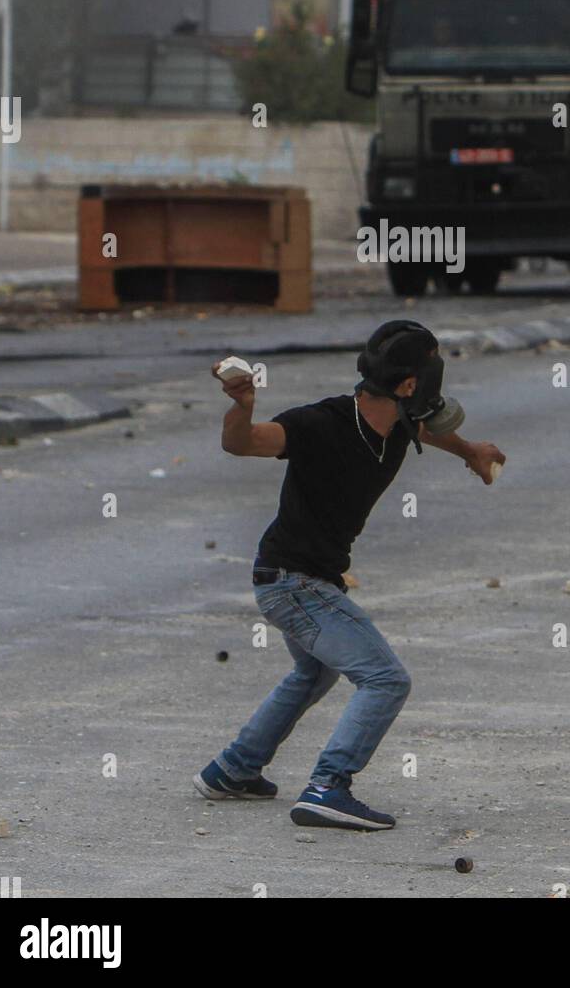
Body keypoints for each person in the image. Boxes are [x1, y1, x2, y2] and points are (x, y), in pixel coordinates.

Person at [195, 320, 506, 832]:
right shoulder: (322, 423)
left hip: (309, 580)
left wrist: (471, 451)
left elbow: (428, 429)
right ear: (409, 384)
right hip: (291, 582)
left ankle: (232, 770)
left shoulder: (400, 421)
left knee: (315, 672)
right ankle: (328, 787)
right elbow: (244, 443)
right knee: (385, 680)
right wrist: (242, 406)